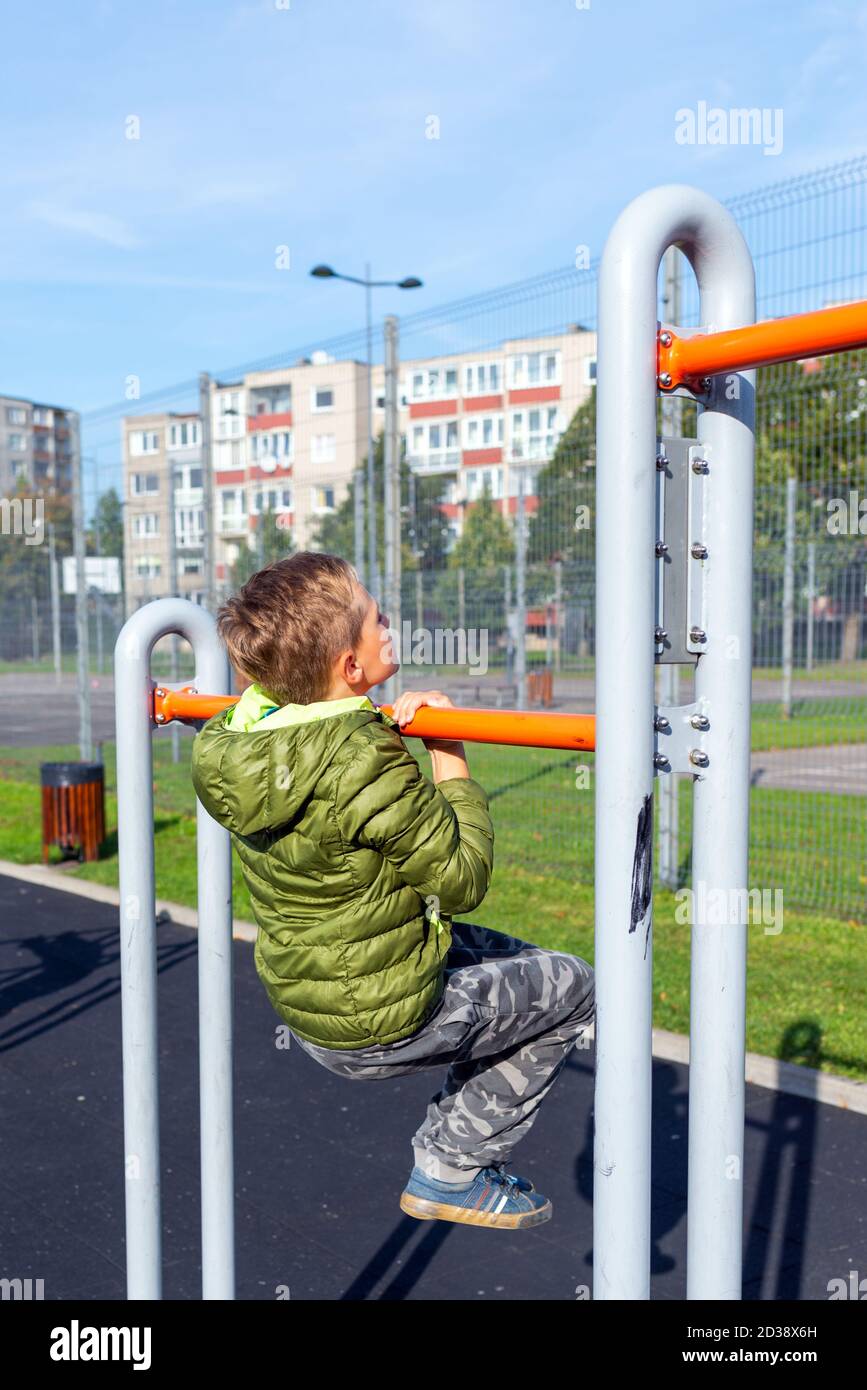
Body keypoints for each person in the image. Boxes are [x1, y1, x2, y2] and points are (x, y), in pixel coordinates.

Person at [191, 551, 595, 1229]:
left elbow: (315, 726)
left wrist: (370, 715)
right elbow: (462, 881)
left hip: (316, 993)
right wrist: (446, 749)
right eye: (377, 618)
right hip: (382, 1017)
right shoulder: (360, 759)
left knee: (527, 967)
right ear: (349, 668)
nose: (389, 626)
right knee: (577, 989)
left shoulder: (235, 735)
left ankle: (461, 1133)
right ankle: (451, 1167)